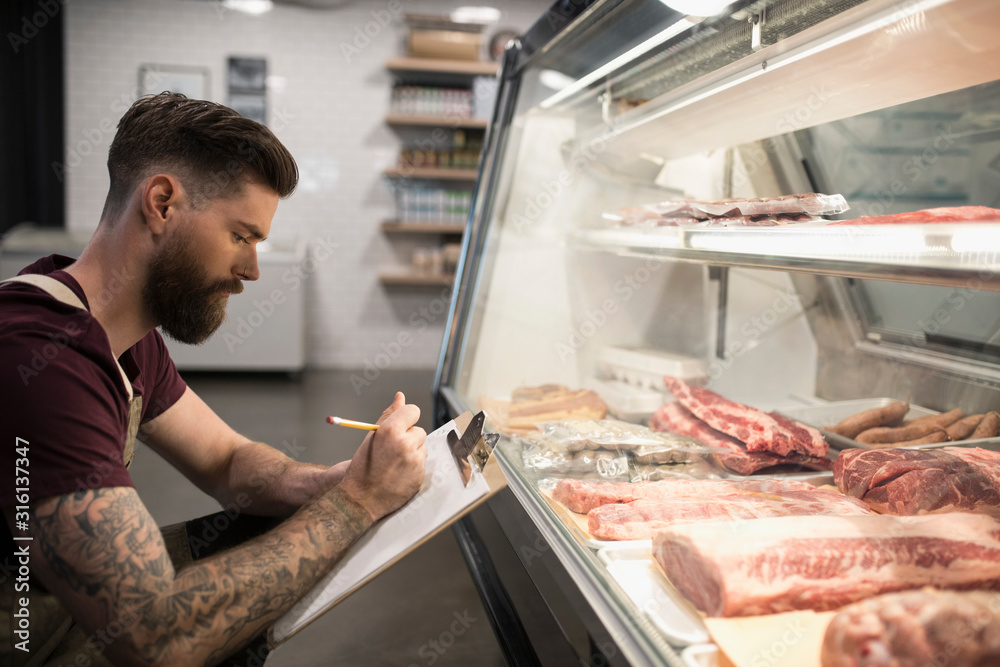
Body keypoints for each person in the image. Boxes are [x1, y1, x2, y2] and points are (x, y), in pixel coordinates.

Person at [0, 92, 427, 666]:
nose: (251, 271)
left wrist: (333, 481)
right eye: (241, 236)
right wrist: (356, 505)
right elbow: (154, 636)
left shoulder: (119, 333)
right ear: (162, 203)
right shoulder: (43, 360)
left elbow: (227, 460)